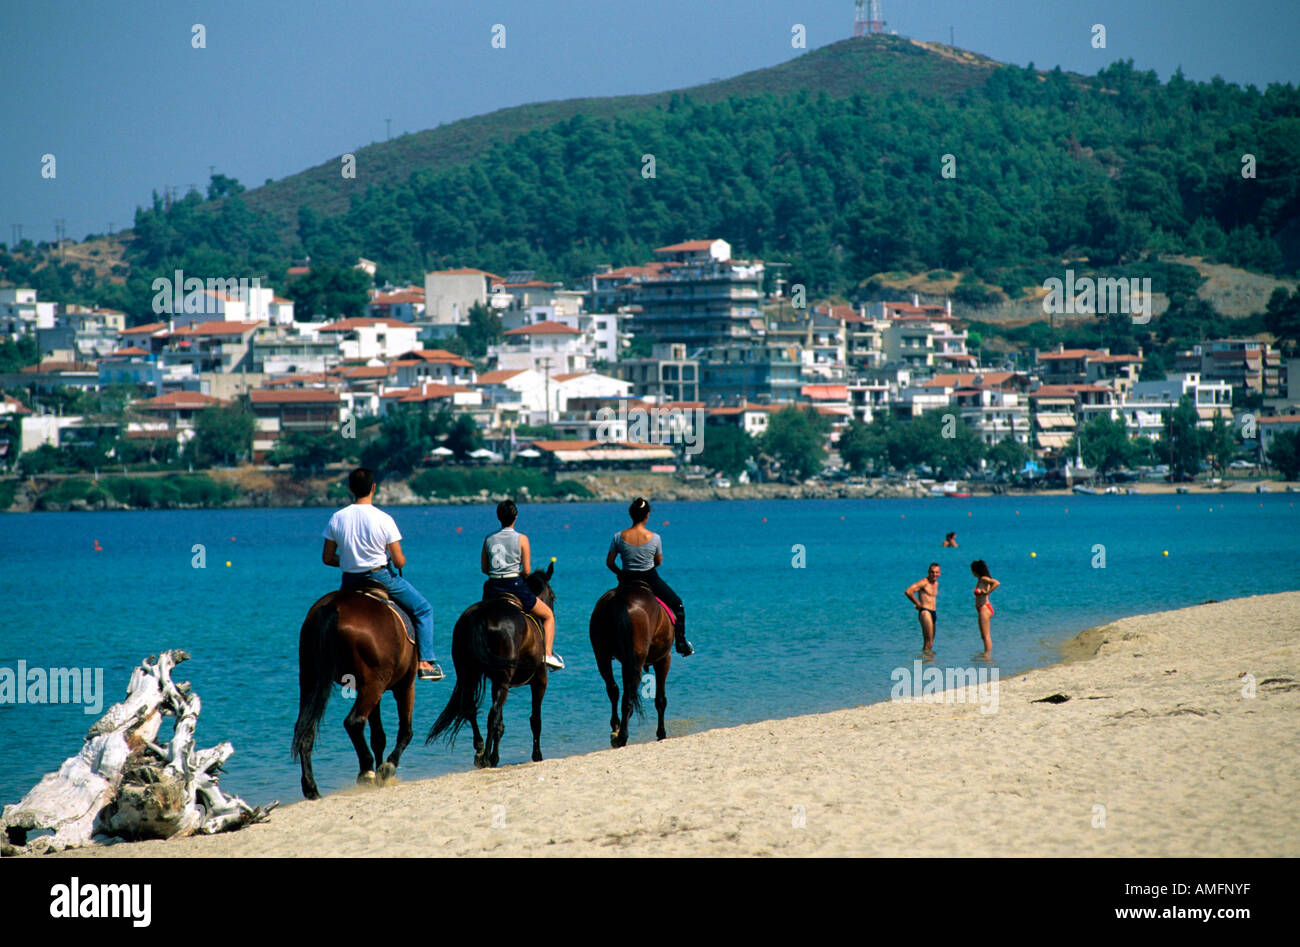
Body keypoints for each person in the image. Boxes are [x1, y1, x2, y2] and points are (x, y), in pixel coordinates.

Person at [322, 468, 443, 681]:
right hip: (380, 578)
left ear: (350, 489)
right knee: (424, 609)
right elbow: (398, 561)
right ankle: (425, 662)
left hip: (349, 581)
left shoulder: (336, 518)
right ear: (374, 488)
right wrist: (398, 560)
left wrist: (350, 559)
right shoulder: (384, 518)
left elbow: (327, 558)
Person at [605, 497, 694, 656]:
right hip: (649, 578)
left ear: (631, 515)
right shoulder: (655, 538)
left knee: (608, 608)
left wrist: (620, 573)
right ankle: (681, 643)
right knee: (677, 604)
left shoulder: (618, 537)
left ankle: (608, 644)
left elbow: (610, 563)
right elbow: (658, 561)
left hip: (626, 580)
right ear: (647, 516)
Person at [481, 500, 564, 670]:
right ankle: (547, 654)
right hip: (514, 584)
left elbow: (484, 568)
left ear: (498, 517)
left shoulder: (489, 538)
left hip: (492, 587)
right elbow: (526, 571)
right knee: (548, 615)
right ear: (515, 517)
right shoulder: (522, 538)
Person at [904, 563, 941, 654]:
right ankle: (927, 661)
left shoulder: (936, 583)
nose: (934, 574)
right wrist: (918, 603)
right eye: (932, 572)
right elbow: (908, 591)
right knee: (928, 641)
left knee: (931, 642)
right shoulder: (924, 582)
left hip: (933, 612)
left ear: (939, 573)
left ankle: (927, 660)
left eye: (936, 572)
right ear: (928, 572)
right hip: (925, 612)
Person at [971, 559, 1000, 657]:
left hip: (984, 608)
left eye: (972, 570)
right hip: (982, 608)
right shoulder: (980, 580)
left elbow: (996, 583)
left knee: (986, 636)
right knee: (984, 636)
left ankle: (988, 656)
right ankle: (986, 655)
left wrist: (987, 592)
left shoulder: (983, 578)